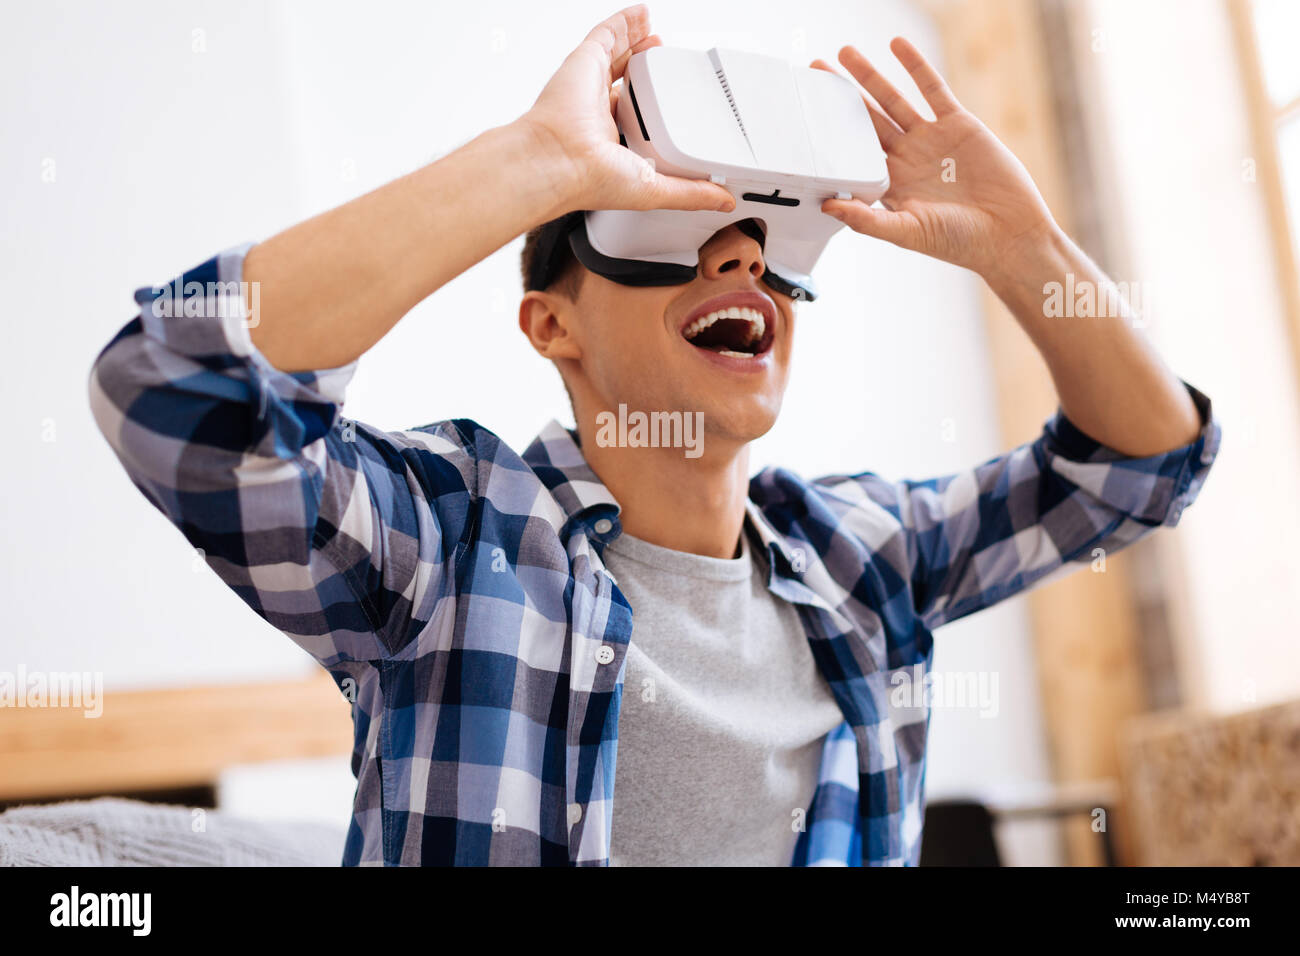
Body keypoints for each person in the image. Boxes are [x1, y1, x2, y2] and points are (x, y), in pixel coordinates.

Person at [88, 5, 1219, 866]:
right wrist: (537, 158)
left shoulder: (865, 557)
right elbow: (172, 382)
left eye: (765, 236)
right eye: (678, 221)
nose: (737, 255)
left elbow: (1139, 467)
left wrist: (1024, 245)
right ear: (551, 322)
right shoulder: (451, 545)